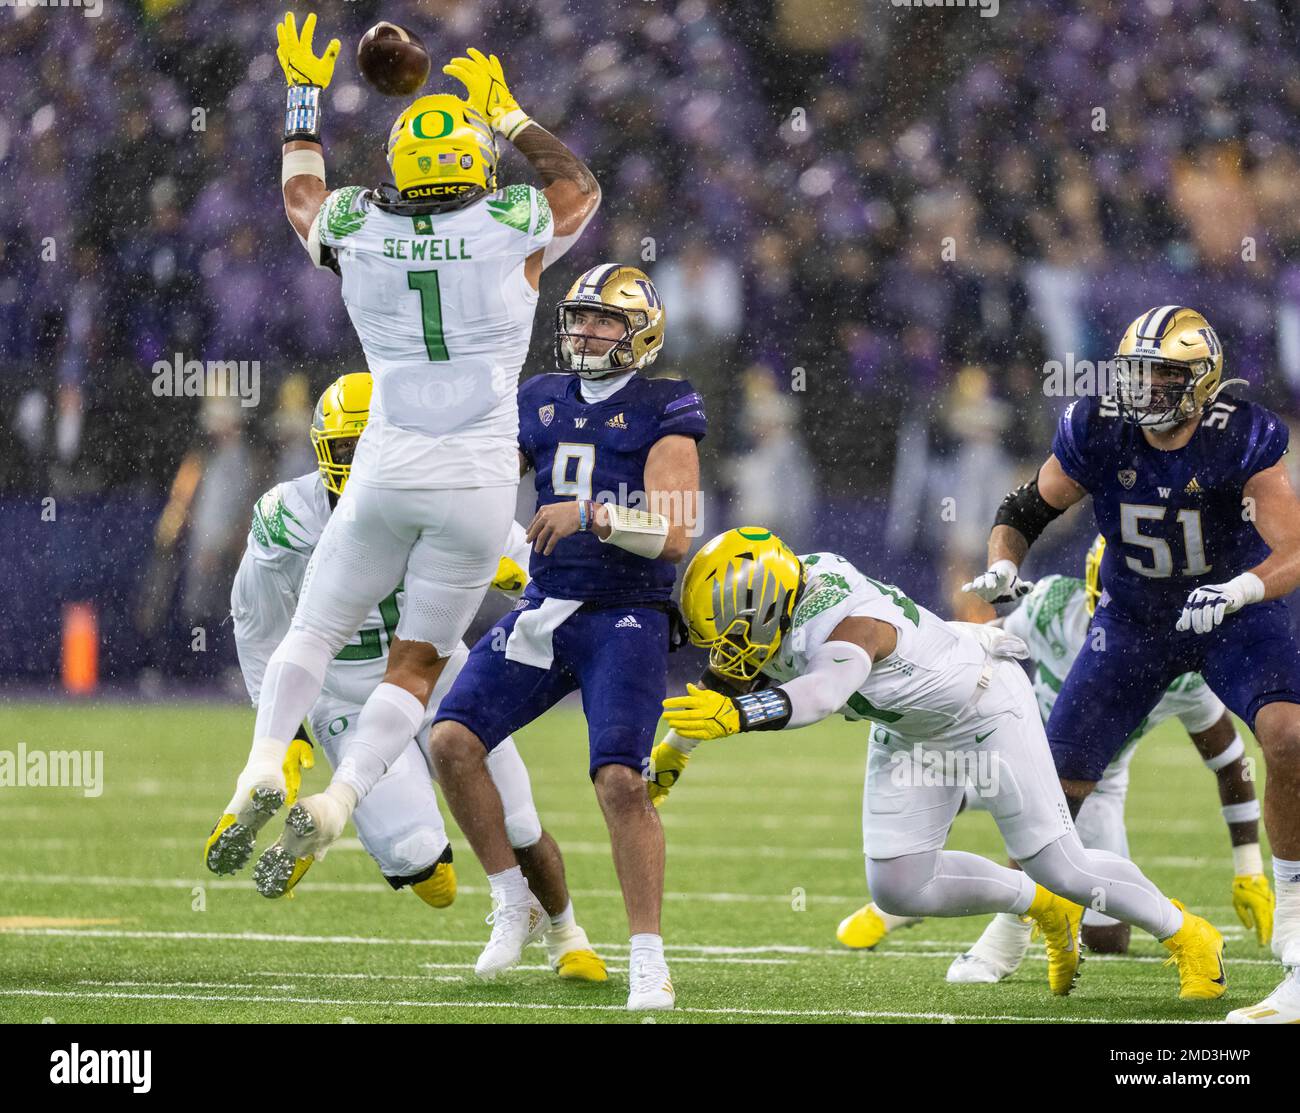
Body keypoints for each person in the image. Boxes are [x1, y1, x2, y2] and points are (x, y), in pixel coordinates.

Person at [208, 16, 600, 893]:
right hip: (474, 474)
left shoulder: (360, 225)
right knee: (417, 663)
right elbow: (578, 187)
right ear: (475, 165)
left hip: (386, 463)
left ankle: (266, 762)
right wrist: (510, 115)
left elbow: (302, 197)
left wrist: (304, 99)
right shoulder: (510, 222)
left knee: (311, 628)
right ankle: (343, 797)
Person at [661, 527, 1227, 1002]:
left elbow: (823, 694)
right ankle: (1038, 903)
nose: (722, 647)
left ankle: (1190, 935)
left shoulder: (847, 620)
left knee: (1062, 863)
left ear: (762, 603)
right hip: (911, 727)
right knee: (899, 886)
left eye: (730, 629)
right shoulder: (780, 592)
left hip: (981, 705)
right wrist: (675, 751)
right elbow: (725, 677)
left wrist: (736, 716)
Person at [964, 305, 1300, 1023]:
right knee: (1057, 782)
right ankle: (1014, 925)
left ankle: (1297, 917)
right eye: (1137, 373)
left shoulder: (1240, 433)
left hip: (1233, 610)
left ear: (1201, 381)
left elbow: (1293, 549)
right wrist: (1000, 563)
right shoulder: (1098, 426)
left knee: (1290, 735)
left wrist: (1239, 588)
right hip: (1134, 618)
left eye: (1163, 376)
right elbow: (1025, 508)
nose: (1143, 389)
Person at [211, 372, 605, 981]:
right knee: (427, 869)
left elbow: (533, 559)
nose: (361, 457)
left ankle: (559, 930)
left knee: (518, 816)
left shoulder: (437, 492)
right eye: (348, 447)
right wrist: (283, 732)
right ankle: (307, 823)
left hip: (441, 672)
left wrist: (522, 574)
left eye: (371, 441)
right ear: (323, 450)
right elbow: (258, 624)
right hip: (346, 692)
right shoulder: (287, 518)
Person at [428, 265, 705, 1011]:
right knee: (450, 740)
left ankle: (647, 955)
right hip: (547, 605)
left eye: (603, 321)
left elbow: (678, 534)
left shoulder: (663, 404)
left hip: (625, 613)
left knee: (620, 779)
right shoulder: (541, 398)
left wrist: (593, 515)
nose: (584, 331)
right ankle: (511, 893)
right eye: (579, 318)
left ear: (639, 332)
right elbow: (487, 480)